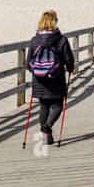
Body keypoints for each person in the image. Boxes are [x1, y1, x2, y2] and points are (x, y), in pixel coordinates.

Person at [28, 10, 77, 146]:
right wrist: (70, 68)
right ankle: (48, 126)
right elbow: (69, 59)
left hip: (39, 79)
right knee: (57, 105)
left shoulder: (34, 40)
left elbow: (28, 62)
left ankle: (46, 134)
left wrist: (37, 70)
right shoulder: (61, 39)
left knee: (44, 105)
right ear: (54, 22)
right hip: (56, 77)